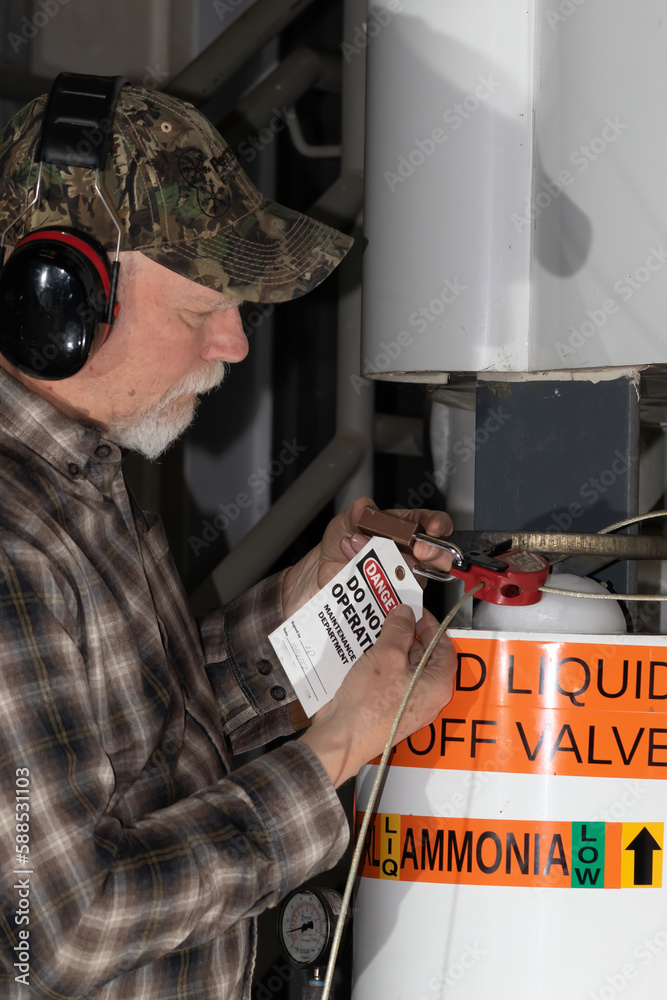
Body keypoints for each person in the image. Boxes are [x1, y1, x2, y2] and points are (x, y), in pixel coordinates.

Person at [0, 76, 457, 999]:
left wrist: (309, 603)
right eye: (198, 310)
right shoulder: (11, 543)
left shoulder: (77, 479)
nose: (235, 345)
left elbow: (137, 746)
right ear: (58, 307)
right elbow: (58, 935)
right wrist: (336, 747)